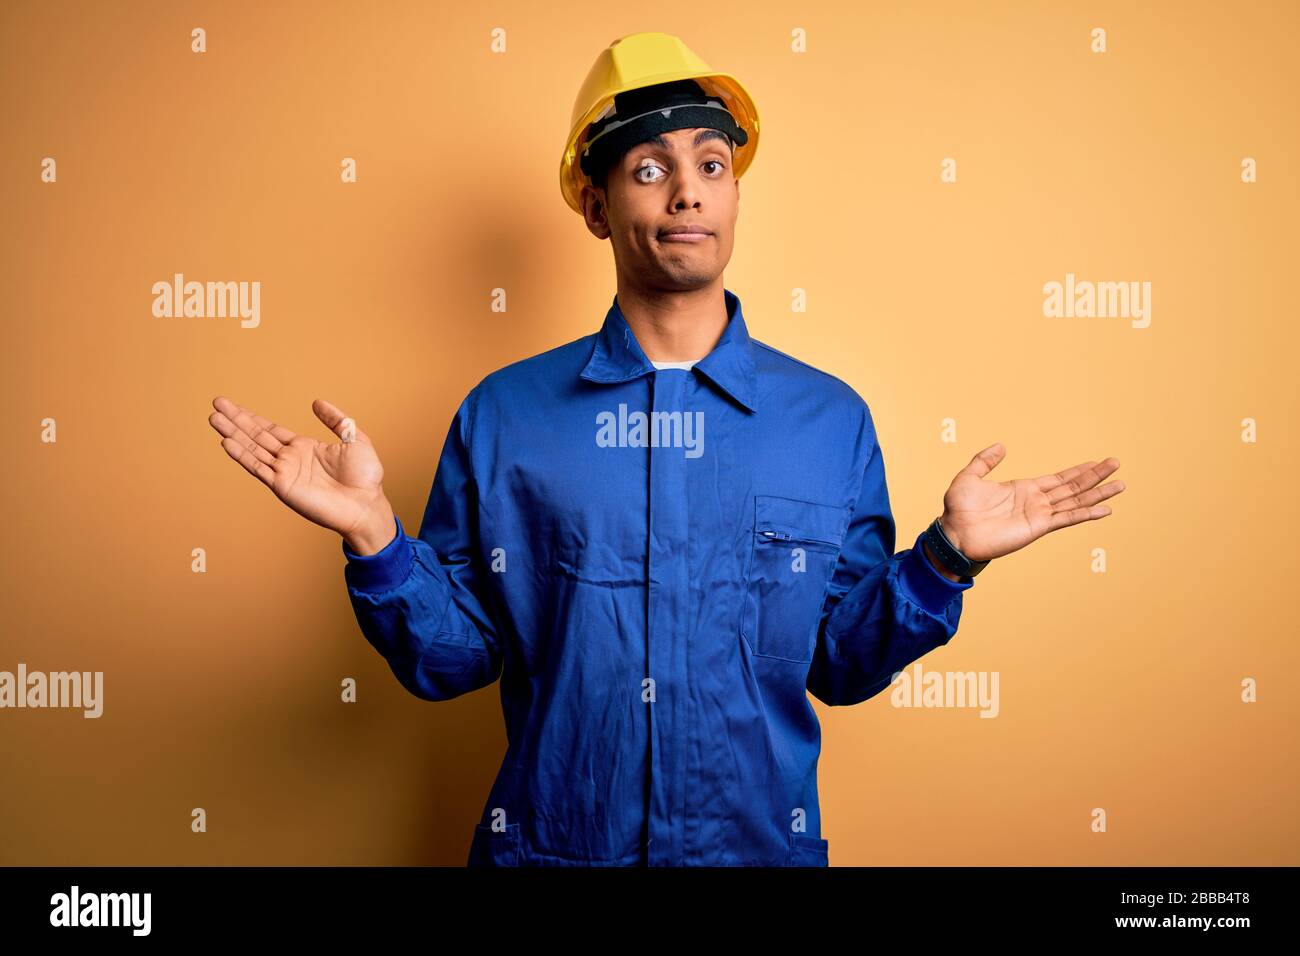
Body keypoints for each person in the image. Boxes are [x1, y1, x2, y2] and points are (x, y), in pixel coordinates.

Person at [208, 32, 1125, 867]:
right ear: (595, 206)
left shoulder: (828, 420)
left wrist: (945, 559)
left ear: (733, 192)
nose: (687, 190)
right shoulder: (504, 417)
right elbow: (452, 661)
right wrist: (376, 537)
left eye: (711, 164)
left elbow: (839, 664)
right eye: (649, 169)